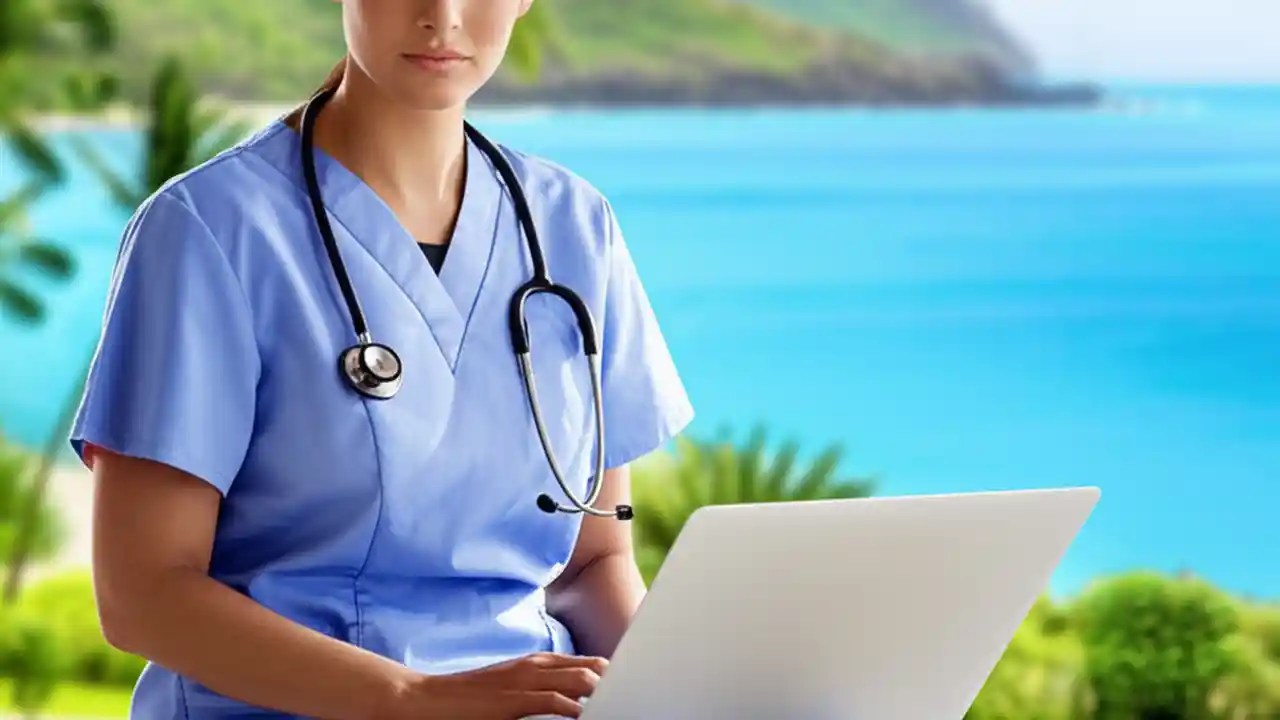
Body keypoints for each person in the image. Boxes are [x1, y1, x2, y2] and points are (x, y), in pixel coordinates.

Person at [67, 1, 694, 718]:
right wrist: (413, 698)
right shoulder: (210, 229)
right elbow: (143, 595)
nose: (442, 16)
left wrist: (675, 695)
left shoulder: (573, 225)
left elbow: (591, 564)